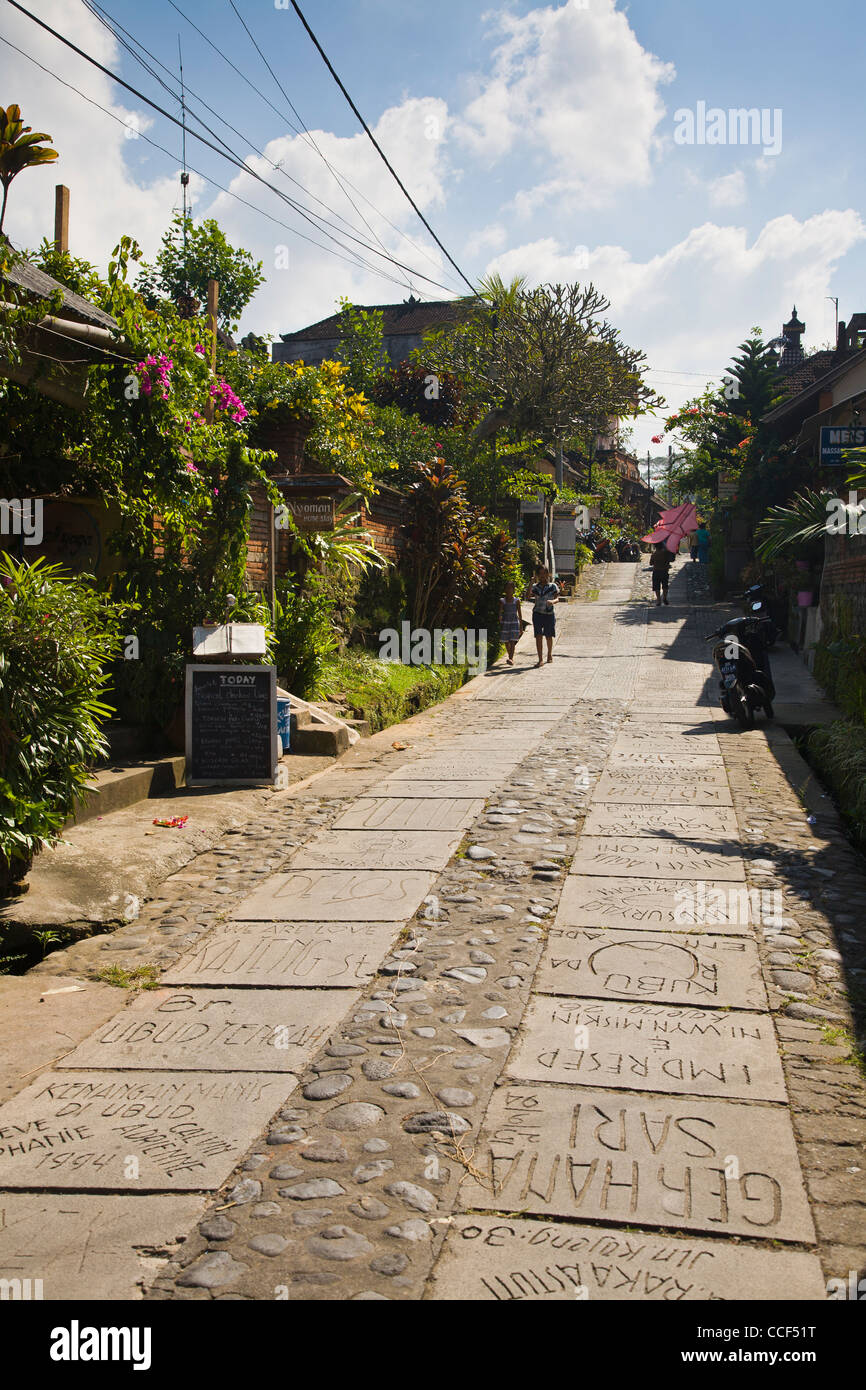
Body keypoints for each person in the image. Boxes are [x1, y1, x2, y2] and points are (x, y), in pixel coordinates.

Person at [531, 566, 558, 665]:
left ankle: (549, 654)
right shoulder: (535, 587)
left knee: (548, 635)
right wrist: (531, 582)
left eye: (544, 573)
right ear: (538, 575)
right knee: (538, 636)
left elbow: (557, 598)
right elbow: (528, 596)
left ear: (548, 574)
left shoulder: (552, 586)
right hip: (537, 613)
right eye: (540, 574)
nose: (542, 576)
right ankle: (540, 659)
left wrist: (552, 601)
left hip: (549, 614)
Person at [499, 581, 522, 665]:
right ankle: (510, 655)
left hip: (514, 622)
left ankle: (511, 658)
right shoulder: (502, 601)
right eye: (507, 588)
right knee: (506, 641)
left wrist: (521, 626)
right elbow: (500, 612)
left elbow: (519, 614)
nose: (509, 590)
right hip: (505, 622)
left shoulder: (517, 601)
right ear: (505, 589)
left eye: (510, 588)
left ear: (513, 590)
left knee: (512, 640)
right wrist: (500, 618)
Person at [650, 542, 673, 606]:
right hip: (664, 571)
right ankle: (665, 598)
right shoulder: (666, 553)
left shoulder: (654, 554)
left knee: (656, 586)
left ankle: (658, 600)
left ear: (655, 547)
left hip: (656, 571)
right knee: (665, 585)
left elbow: (651, 563)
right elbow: (670, 559)